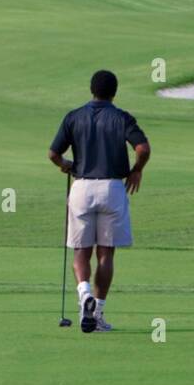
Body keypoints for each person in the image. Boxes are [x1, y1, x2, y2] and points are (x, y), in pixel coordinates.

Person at [48, 69, 150, 333]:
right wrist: (136, 170)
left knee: (81, 252)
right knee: (106, 253)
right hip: (113, 188)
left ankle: (84, 297)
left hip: (81, 187)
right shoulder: (121, 117)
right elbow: (143, 148)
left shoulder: (74, 116)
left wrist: (67, 165)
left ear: (91, 89)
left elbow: (52, 153)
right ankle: (99, 313)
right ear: (114, 92)